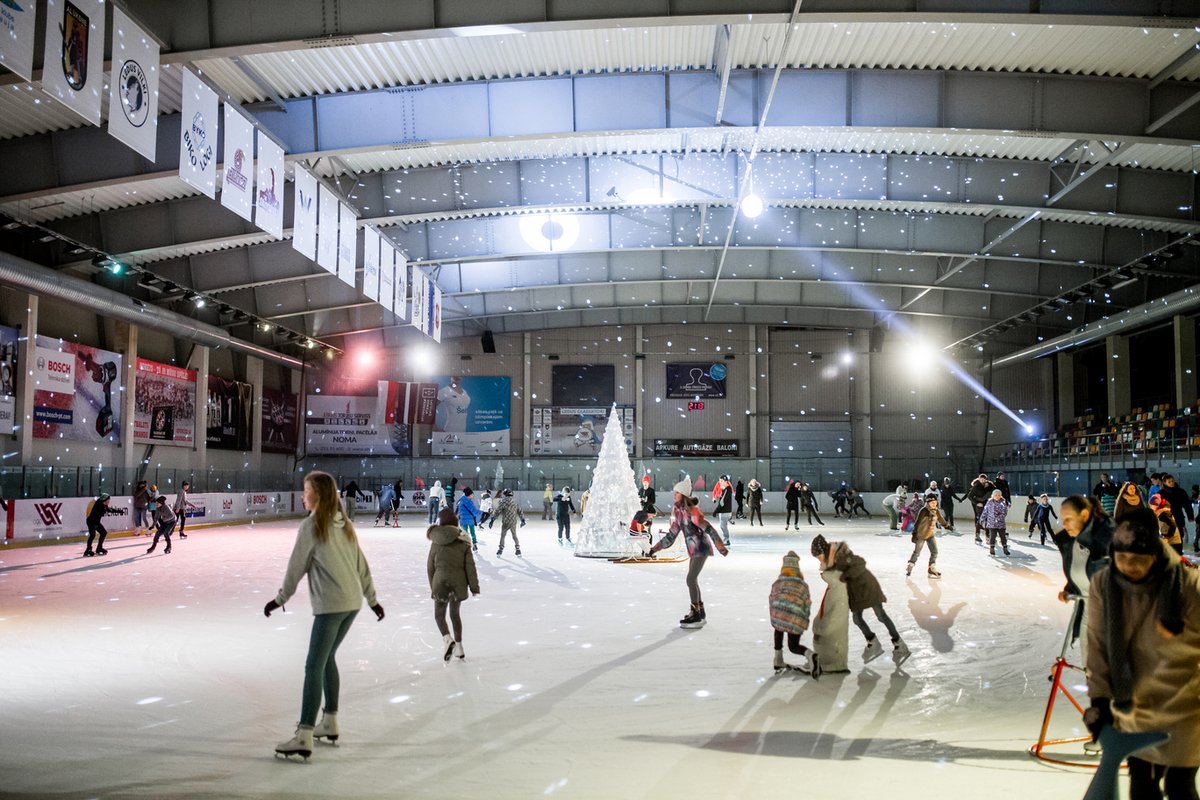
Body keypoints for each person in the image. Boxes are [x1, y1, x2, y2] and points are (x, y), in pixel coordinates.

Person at [265, 470, 384, 762]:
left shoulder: (312, 527)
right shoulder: (344, 525)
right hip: (351, 603)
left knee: (313, 666)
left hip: (332, 605)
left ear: (317, 494)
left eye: (306, 491)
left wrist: (280, 599)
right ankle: (329, 720)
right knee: (327, 658)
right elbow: (362, 566)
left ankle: (304, 734)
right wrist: (372, 600)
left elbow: (296, 567)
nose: (303, 496)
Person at [1084, 508, 1200, 800]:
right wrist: (1099, 700)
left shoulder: (1188, 586)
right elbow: (1098, 646)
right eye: (1121, 558)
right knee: (1143, 786)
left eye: (1138, 560)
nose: (1128, 567)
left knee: (1179, 786)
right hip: (1133, 709)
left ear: (1156, 554)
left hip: (1185, 708)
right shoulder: (1104, 584)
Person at [810, 533, 909, 665]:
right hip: (856, 592)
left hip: (867, 587)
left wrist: (844, 576)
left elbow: (860, 563)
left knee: (881, 615)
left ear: (823, 551)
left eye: (818, 556)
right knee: (857, 619)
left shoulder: (841, 555)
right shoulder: (831, 561)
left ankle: (899, 642)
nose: (818, 559)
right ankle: (873, 641)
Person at [648, 478, 728, 628]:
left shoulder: (693, 511)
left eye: (677, 492)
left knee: (690, 579)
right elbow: (671, 535)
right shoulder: (679, 513)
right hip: (694, 550)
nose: (674, 494)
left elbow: (708, 528)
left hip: (701, 548)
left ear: (683, 494)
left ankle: (696, 613)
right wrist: (654, 548)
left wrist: (721, 547)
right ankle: (700, 612)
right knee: (692, 580)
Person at [1052, 494, 1114, 671]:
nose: (1064, 525)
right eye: (1063, 519)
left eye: (1069, 519)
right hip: (1089, 616)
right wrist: (1069, 589)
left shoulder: (1108, 540)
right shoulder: (1071, 542)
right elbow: (1080, 572)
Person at [427, 508, 480, 661]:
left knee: (439, 614)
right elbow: (470, 567)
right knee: (455, 614)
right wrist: (474, 587)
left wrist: (434, 586)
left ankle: (447, 638)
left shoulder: (435, 542)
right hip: (458, 583)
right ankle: (459, 647)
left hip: (440, 582)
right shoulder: (464, 542)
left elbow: (430, 567)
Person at [769, 550, 816, 675]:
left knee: (778, 628)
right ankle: (810, 655)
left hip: (779, 617)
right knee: (793, 646)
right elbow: (807, 604)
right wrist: (804, 619)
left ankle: (778, 657)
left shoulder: (777, 583)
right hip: (795, 619)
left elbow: (771, 600)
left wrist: (774, 615)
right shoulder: (802, 585)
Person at [811, 552, 850, 678]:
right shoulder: (833, 587)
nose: (820, 569)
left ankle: (835, 664)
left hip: (833, 648)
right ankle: (824, 661)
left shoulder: (839, 589)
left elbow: (836, 617)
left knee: (833, 644)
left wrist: (821, 630)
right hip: (826, 644)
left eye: (822, 565)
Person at [906, 495, 948, 578]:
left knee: (934, 552)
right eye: (932, 503)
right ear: (928, 503)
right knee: (917, 552)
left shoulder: (936, 511)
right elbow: (917, 522)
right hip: (921, 535)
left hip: (930, 535)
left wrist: (946, 526)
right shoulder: (924, 510)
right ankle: (910, 566)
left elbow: (940, 519)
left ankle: (931, 569)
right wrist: (914, 534)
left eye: (935, 503)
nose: (934, 504)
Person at [1159, 474, 1194, 552]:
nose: (1171, 483)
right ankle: (1169, 556)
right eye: (1169, 482)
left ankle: (1178, 555)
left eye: (1172, 481)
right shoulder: (1161, 493)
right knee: (1167, 538)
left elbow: (1187, 504)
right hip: (1166, 520)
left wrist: (1190, 516)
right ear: (1164, 483)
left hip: (1178, 518)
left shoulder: (1180, 492)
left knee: (1179, 537)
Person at [494, 488, 526, 557]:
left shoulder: (502, 502)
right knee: (514, 535)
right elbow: (520, 511)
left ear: (505, 494)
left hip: (506, 522)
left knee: (503, 536)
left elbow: (498, 511)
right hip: (513, 521)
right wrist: (522, 519)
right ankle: (518, 549)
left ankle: (500, 549)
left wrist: (493, 519)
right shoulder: (514, 502)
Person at [980, 488, 1011, 556]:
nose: (997, 496)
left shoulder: (1003, 503)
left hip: (1000, 523)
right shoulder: (989, 502)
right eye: (996, 495)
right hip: (991, 523)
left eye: (999, 495)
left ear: (1001, 496)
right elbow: (985, 511)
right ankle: (992, 548)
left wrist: (997, 519)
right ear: (993, 496)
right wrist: (982, 519)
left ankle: (1005, 548)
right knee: (992, 536)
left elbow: (1004, 513)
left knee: (1002, 536)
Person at [967, 474, 994, 543]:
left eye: (984, 479)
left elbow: (994, 490)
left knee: (988, 520)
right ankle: (977, 535)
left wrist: (989, 486)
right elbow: (969, 496)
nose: (982, 480)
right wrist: (976, 503)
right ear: (979, 479)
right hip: (980, 506)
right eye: (981, 479)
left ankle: (988, 536)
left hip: (987, 505)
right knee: (981, 519)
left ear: (986, 479)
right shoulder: (976, 487)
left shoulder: (989, 485)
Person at [83, 493, 111, 557]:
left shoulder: (104, 505)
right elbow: (97, 514)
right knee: (92, 535)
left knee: (103, 533)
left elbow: (109, 510)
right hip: (91, 522)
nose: (109, 501)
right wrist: (95, 525)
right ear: (105, 499)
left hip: (96, 522)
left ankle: (99, 548)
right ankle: (88, 550)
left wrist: (119, 511)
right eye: (108, 500)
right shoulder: (98, 504)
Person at [456, 487, 481, 552]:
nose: (472, 496)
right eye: (472, 494)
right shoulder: (469, 502)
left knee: (465, 533)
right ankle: (474, 544)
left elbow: (459, 511)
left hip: (463, 521)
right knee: (472, 533)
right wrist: (482, 512)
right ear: (469, 495)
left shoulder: (461, 501)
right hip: (470, 521)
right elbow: (474, 511)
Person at [713, 475, 733, 545]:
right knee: (723, 526)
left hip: (725, 512)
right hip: (724, 511)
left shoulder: (728, 489)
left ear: (726, 481)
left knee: (723, 526)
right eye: (719, 481)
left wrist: (716, 511)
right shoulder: (725, 490)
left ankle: (726, 540)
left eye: (721, 481)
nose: (720, 482)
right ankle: (726, 539)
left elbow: (722, 502)